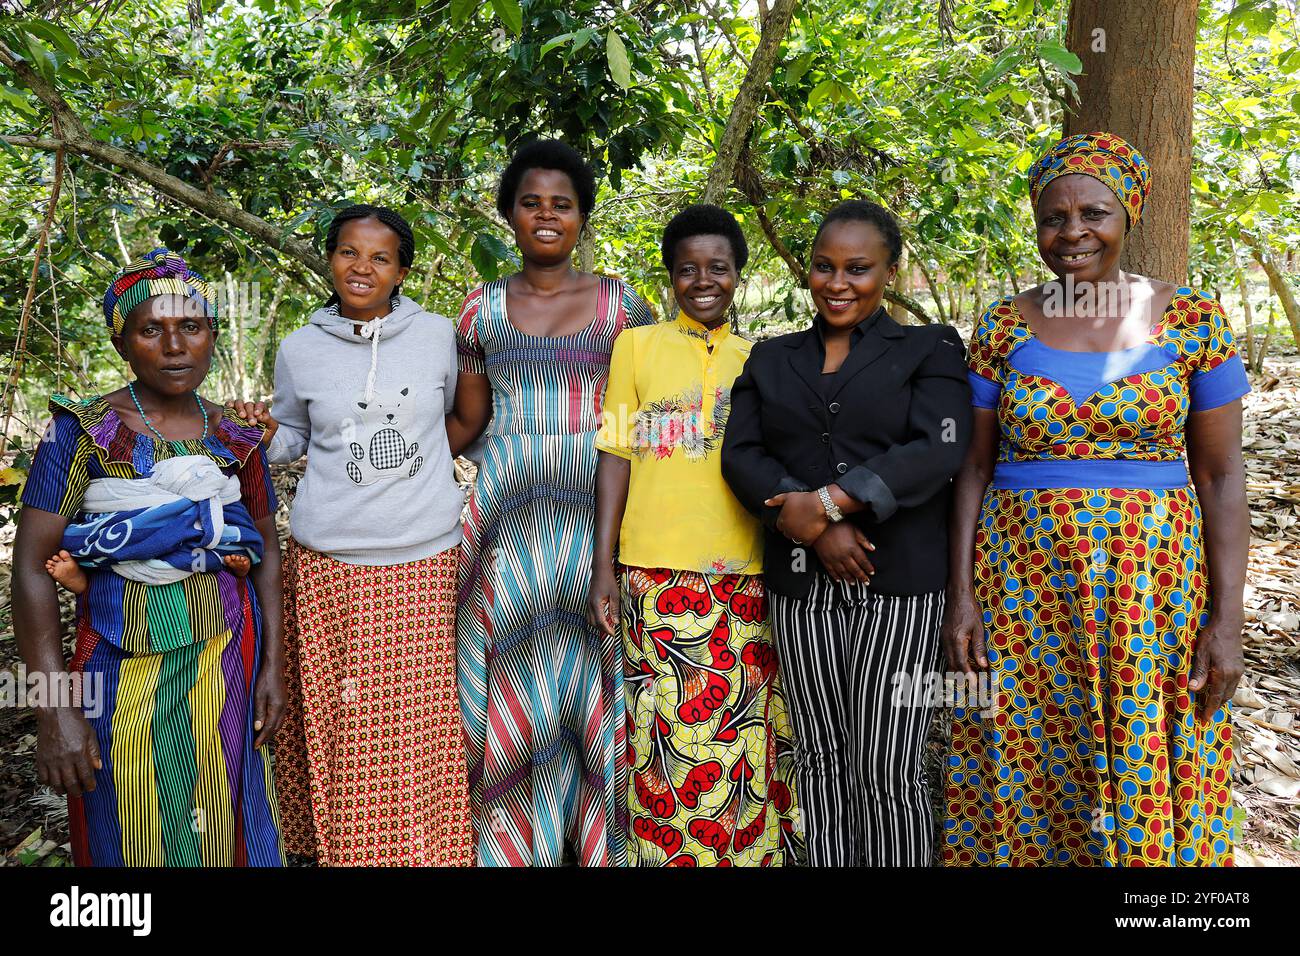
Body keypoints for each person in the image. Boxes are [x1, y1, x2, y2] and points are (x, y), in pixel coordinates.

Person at [942, 132, 1250, 866]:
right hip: (1022, 584)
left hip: (1155, 587)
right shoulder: (1001, 325)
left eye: (1094, 213)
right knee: (1022, 739)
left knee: (1152, 736)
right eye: (1054, 217)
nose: (1072, 232)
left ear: (1128, 216)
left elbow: (1220, 476)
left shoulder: (1194, 322)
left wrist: (1229, 618)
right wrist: (961, 596)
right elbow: (974, 470)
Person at [11, 248, 284, 866]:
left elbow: (264, 549)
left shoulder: (235, 435)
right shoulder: (77, 431)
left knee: (228, 828)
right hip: (114, 669)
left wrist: (272, 665)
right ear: (122, 342)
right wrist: (54, 709)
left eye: (191, 326)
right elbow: (30, 567)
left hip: (227, 666)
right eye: (151, 330)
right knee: (127, 834)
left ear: (212, 335)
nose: (174, 345)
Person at [721, 200, 971, 866]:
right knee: (821, 757)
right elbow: (741, 456)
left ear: (889, 270)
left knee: (888, 764)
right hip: (800, 587)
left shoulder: (930, 348)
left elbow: (938, 449)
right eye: (825, 267)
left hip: (900, 585)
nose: (838, 283)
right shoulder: (772, 358)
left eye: (858, 269)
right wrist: (802, 524)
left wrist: (832, 503)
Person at [235, 204, 472, 866]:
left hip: (423, 561)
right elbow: (292, 440)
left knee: (412, 727)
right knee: (344, 722)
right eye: (348, 252)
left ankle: (428, 851)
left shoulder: (437, 336)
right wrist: (259, 432)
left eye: (380, 257)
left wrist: (412, 476)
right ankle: (344, 851)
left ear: (402, 270)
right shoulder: (300, 348)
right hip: (328, 563)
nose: (361, 268)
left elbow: (457, 418)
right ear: (330, 257)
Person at [447, 139, 654, 866]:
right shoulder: (479, 311)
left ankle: (593, 846)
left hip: (596, 507)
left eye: (561, 204)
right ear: (508, 215)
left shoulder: (623, 305)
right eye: (530, 203)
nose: (545, 215)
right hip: (506, 514)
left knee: (591, 673)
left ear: (582, 217)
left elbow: (638, 420)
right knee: (511, 676)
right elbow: (466, 424)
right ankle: (512, 847)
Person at [587, 204, 802, 867]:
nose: (703, 280)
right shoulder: (637, 346)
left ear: (739, 274)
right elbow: (616, 454)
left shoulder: (764, 361)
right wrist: (604, 566)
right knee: (663, 741)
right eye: (688, 269)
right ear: (670, 276)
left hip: (742, 574)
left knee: (743, 741)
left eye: (718, 268)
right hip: (654, 574)